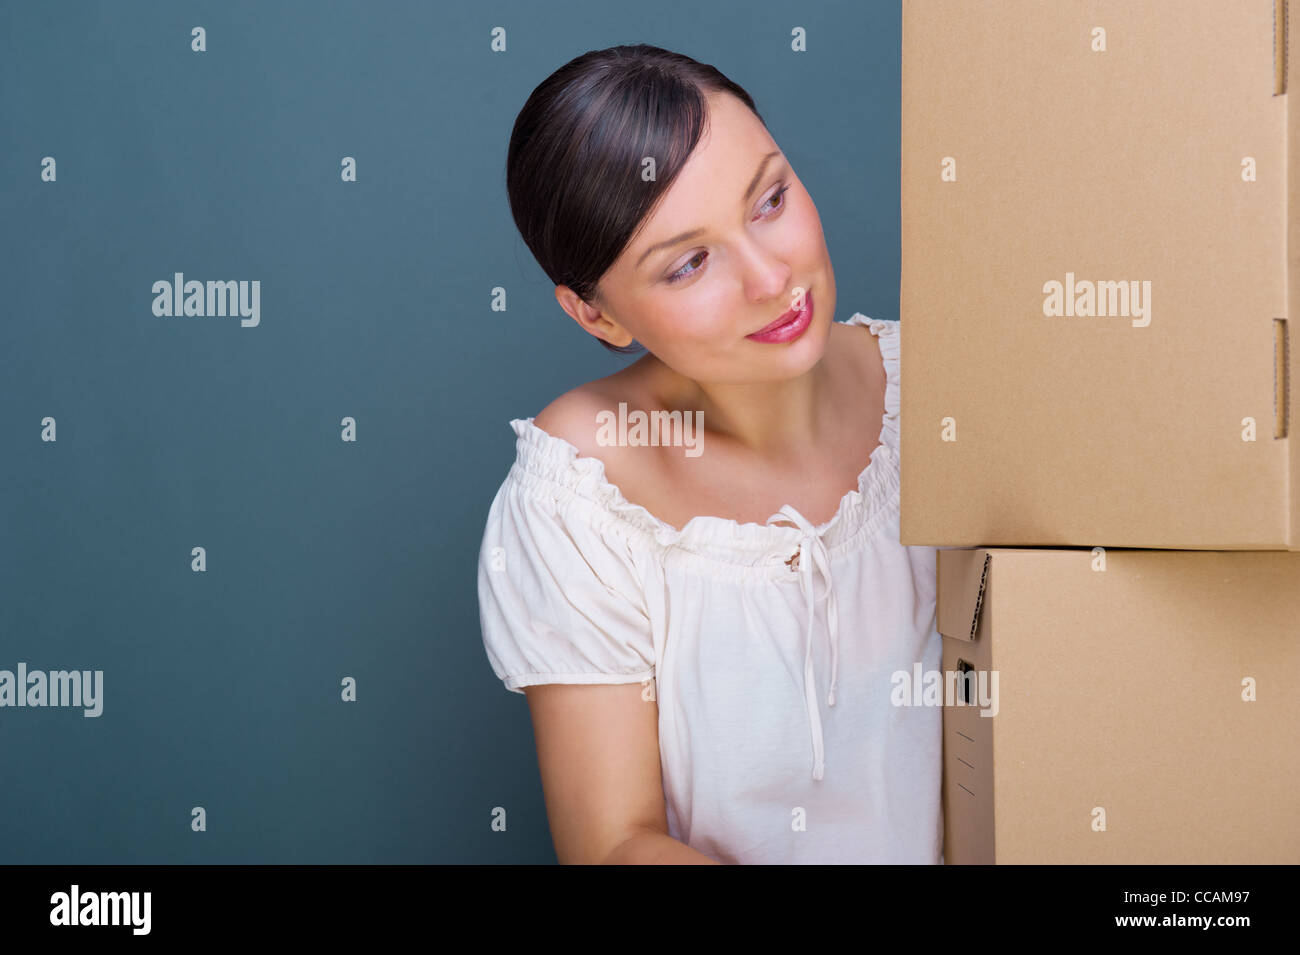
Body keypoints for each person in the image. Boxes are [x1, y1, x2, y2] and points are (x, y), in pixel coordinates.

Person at [477, 44, 941, 864]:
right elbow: (615, 841)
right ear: (598, 318)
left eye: (769, 199)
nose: (770, 277)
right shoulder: (582, 491)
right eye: (690, 263)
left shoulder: (951, 393)